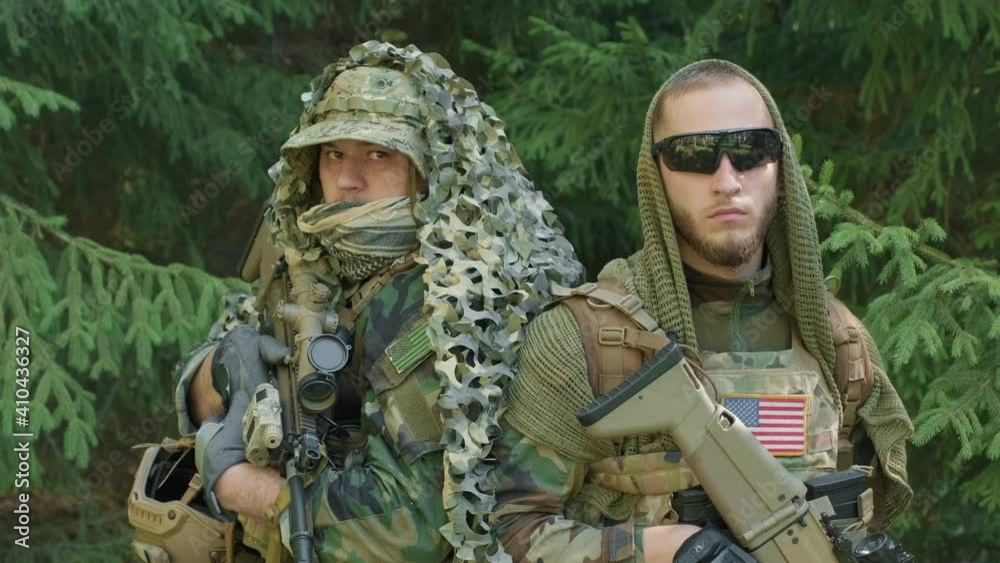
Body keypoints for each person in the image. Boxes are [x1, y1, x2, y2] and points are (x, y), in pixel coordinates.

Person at [129, 41, 581, 563]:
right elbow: (207, 374)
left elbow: (411, 529)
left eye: (379, 154)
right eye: (333, 154)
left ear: (429, 168)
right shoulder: (308, 253)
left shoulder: (455, 297)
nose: (347, 180)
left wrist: (249, 489)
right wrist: (224, 369)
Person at [491, 59, 914, 562]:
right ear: (657, 176)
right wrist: (661, 550)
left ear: (780, 168)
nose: (726, 180)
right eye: (693, 155)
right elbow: (506, 532)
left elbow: (863, 516)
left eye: (750, 150)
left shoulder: (838, 342)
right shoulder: (583, 341)